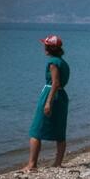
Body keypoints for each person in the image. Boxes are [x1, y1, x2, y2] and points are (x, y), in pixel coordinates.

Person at [23, 34, 70, 171]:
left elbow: (55, 83)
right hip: (61, 96)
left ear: (50, 48)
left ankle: (32, 164)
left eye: (45, 45)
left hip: (52, 94)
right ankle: (58, 163)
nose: (44, 47)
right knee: (60, 130)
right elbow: (61, 83)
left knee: (36, 130)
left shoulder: (53, 63)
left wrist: (48, 102)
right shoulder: (63, 63)